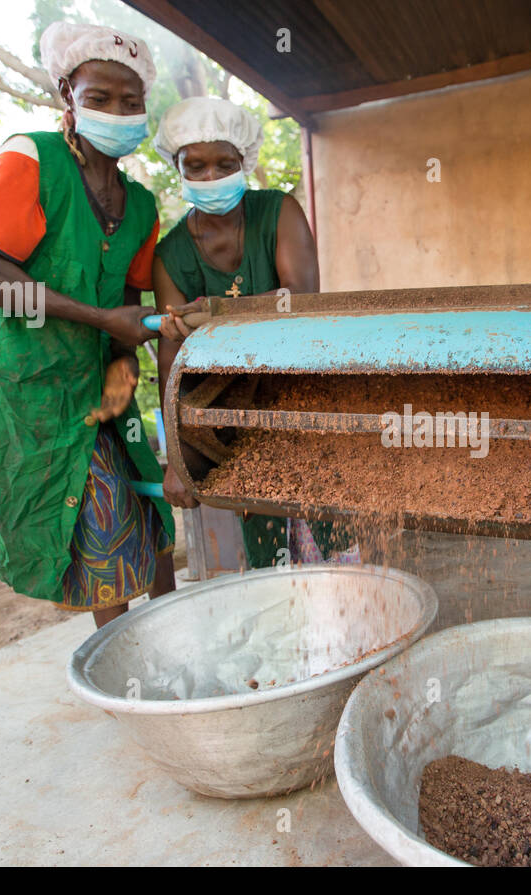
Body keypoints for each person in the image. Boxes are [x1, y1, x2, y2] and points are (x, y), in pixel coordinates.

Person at [0, 22, 174, 627]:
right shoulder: (30, 158)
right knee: (99, 526)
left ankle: (174, 640)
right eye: (99, 98)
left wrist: (122, 380)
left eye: (132, 103)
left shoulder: (141, 205)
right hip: (30, 389)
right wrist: (100, 318)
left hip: (100, 388)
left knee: (155, 520)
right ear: (67, 97)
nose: (117, 113)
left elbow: (128, 316)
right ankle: (128, 667)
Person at [150, 97, 357, 568]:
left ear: (244, 160)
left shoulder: (278, 211)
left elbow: (301, 299)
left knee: (336, 528)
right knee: (266, 539)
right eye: (195, 166)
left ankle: (356, 610)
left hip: (305, 393)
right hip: (234, 414)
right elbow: (172, 358)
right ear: (177, 168)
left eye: (225, 163)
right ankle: (288, 618)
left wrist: (215, 311)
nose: (211, 177)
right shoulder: (171, 255)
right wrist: (179, 459)